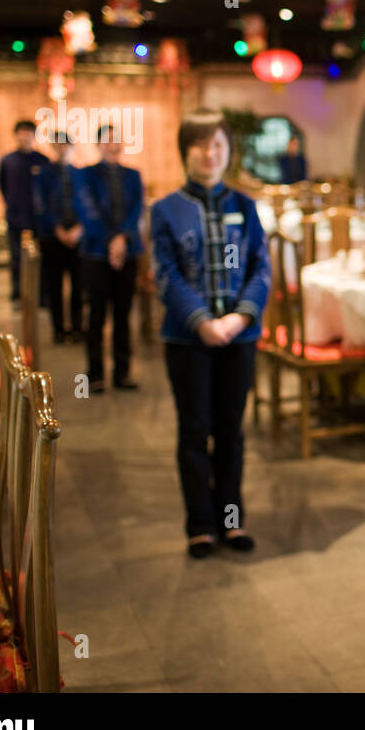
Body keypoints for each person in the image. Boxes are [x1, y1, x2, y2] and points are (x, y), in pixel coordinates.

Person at [151, 111, 270, 558]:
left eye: (218, 144)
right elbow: (165, 274)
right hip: (187, 340)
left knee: (231, 432)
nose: (210, 153)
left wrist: (239, 318)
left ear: (227, 151)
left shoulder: (245, 206)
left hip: (239, 338)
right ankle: (199, 526)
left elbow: (261, 267)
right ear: (186, 152)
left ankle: (231, 522)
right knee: (194, 431)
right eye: (201, 145)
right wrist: (202, 320)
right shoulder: (166, 210)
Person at [76, 126, 144, 392]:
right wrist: (110, 241)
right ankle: (94, 374)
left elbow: (136, 209)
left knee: (124, 314)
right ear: (99, 145)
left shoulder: (133, 175)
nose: (113, 145)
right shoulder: (85, 175)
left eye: (117, 141)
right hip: (96, 253)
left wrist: (122, 240)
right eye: (108, 141)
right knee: (96, 314)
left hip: (128, 252)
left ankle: (123, 372)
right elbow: (87, 210)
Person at [35, 132, 85, 343]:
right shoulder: (43, 174)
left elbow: (86, 205)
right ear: (54, 148)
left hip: (78, 237)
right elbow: (40, 206)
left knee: (79, 285)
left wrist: (79, 229)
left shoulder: (81, 174)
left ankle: (77, 327)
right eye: (58, 145)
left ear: (72, 147)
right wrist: (57, 229)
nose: (62, 149)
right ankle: (58, 330)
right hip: (52, 237)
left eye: (66, 145)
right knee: (54, 286)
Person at [0, 119, 51, 307]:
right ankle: (18, 295)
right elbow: (3, 186)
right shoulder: (8, 161)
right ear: (16, 135)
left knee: (42, 259)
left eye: (29, 132)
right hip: (16, 218)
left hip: (39, 220)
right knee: (16, 258)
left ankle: (43, 295)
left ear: (34, 136)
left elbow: (48, 191)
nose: (25, 136)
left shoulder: (43, 161)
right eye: (22, 132)